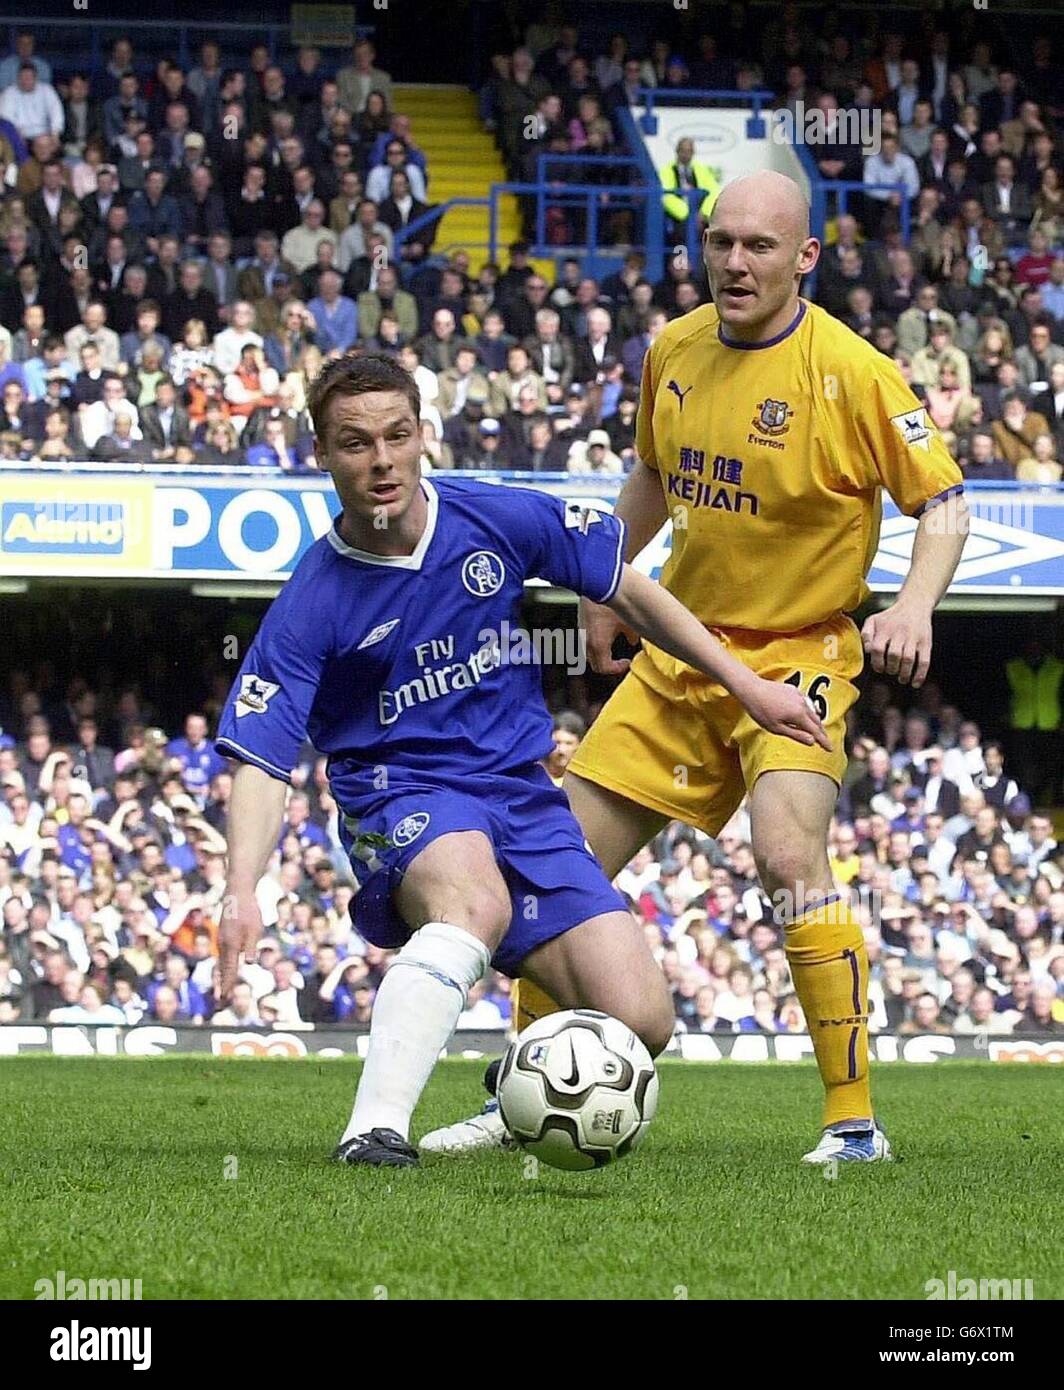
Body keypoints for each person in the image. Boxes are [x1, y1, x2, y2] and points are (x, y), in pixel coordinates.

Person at [428, 170, 969, 1165]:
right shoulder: (672, 350)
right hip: (683, 653)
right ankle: (519, 1103)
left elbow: (942, 503)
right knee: (548, 872)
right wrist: (604, 582)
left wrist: (912, 602)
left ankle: (851, 1124)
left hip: (798, 651)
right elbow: (650, 475)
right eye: (718, 242)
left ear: (804, 257)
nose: (732, 262)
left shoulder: (852, 375)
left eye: (757, 246)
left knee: (786, 858)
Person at [214, 352, 826, 1168]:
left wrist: (747, 685)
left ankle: (518, 1095)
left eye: (398, 436)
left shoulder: (495, 519)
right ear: (322, 454)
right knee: (473, 904)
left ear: (424, 436)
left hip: (522, 796)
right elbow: (261, 758)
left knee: (641, 1021)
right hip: (401, 793)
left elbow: (628, 586)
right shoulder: (311, 601)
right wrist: (240, 889)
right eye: (355, 444)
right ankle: (374, 1129)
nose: (382, 460)